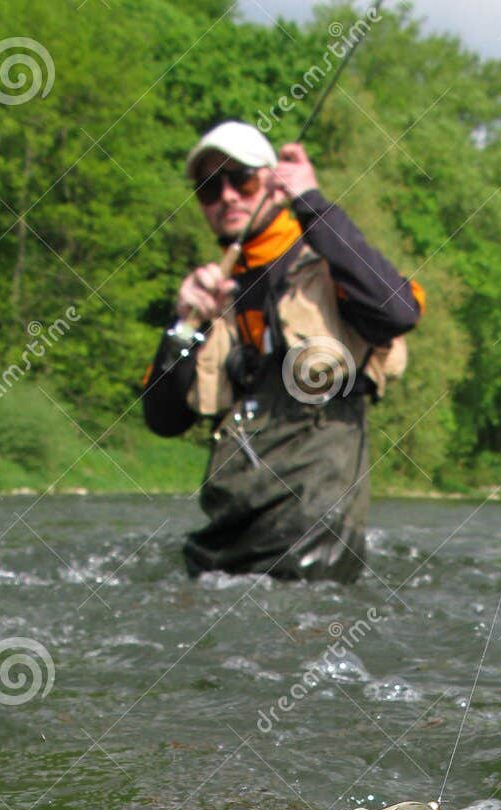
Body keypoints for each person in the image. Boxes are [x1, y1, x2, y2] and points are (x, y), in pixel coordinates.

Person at [142, 120, 424, 581]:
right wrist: (180, 325)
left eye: (242, 179)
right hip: (225, 539)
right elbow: (164, 420)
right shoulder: (213, 296)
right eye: (210, 188)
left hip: (313, 540)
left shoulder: (332, 266)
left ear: (275, 183)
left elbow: (399, 311)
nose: (227, 196)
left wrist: (311, 201)